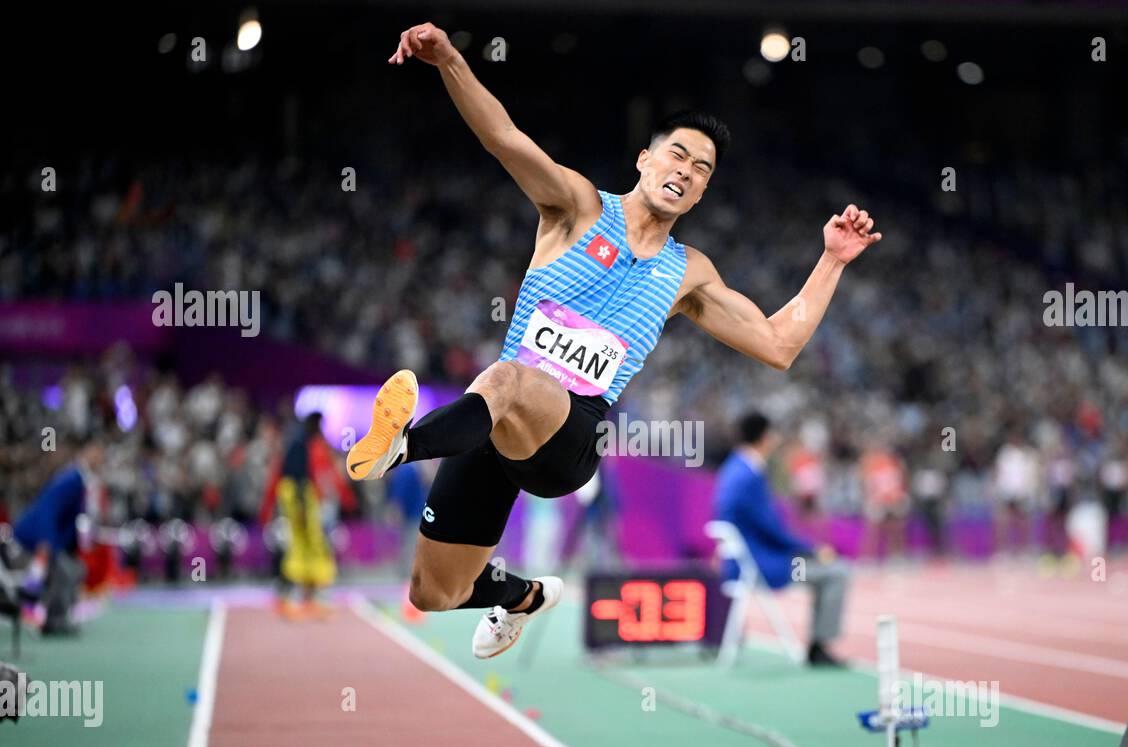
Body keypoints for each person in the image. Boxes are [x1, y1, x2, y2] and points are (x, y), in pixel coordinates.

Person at [345, 21, 883, 660]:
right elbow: (502, 137)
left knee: (507, 377)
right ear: (644, 160)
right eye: (678, 155)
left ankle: (398, 448)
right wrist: (450, 60)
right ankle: (521, 596)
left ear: (705, 190)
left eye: (702, 169)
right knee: (433, 591)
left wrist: (833, 261)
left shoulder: (690, 273)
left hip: (569, 437)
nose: (686, 171)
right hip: (491, 421)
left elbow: (779, 343)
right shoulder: (575, 206)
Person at [713, 413, 850, 667]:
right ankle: (819, 647)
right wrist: (811, 550)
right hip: (762, 565)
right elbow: (770, 530)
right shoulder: (747, 475)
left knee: (829, 569)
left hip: (746, 559)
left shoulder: (734, 469)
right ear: (764, 437)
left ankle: (818, 646)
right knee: (837, 571)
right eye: (773, 435)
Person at [260, 412, 356, 618]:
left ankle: (304, 596)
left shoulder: (298, 443)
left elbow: (280, 475)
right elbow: (318, 476)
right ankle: (296, 596)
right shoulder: (309, 446)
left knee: (307, 546)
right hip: (304, 499)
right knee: (307, 546)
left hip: (301, 498)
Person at [12, 437, 104, 636]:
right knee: (66, 571)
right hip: (35, 537)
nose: (99, 458)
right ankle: (54, 620)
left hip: (54, 540)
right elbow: (48, 509)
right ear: (85, 452)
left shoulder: (83, 480)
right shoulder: (71, 478)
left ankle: (56, 615)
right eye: (96, 452)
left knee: (75, 569)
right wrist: (46, 542)